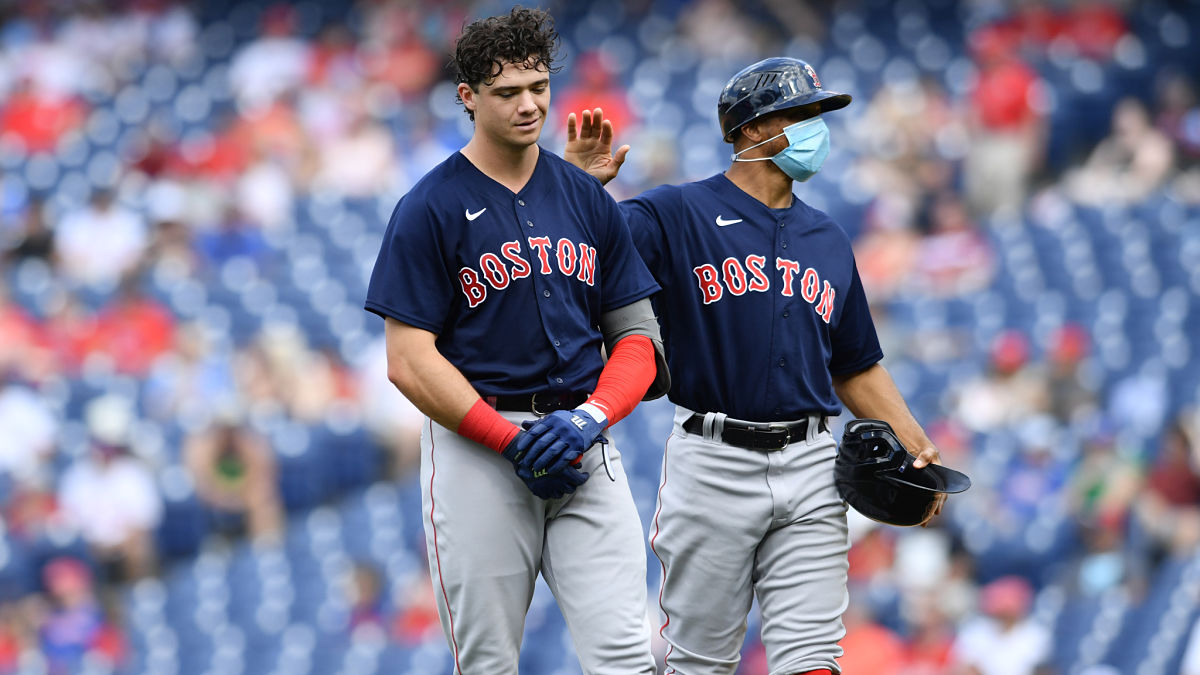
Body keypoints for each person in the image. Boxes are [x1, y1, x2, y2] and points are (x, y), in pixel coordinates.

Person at [565, 57, 952, 674]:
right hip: (712, 457)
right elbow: (576, 256)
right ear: (749, 129)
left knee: (813, 658)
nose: (814, 129)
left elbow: (855, 366)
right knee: (701, 662)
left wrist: (917, 444)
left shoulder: (827, 239)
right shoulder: (675, 214)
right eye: (799, 115)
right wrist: (576, 185)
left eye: (816, 116)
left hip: (811, 462)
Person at [362, 7, 668, 674]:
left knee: (626, 656)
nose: (529, 105)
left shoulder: (586, 198)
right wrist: (509, 440)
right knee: (490, 663)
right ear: (468, 97)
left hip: (582, 438)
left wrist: (592, 416)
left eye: (539, 86)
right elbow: (408, 360)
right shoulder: (429, 206)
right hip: (480, 445)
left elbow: (638, 339)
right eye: (507, 92)